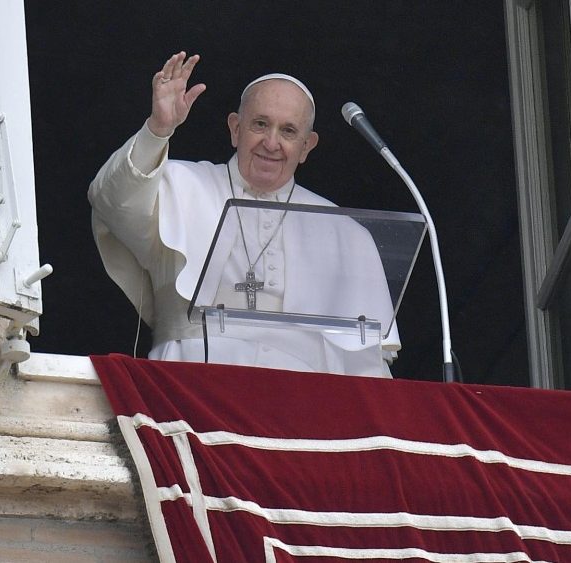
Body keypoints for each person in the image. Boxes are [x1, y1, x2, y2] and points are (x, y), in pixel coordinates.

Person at [89, 52, 399, 376]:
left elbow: (369, 363)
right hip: (185, 383)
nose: (271, 142)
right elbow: (113, 201)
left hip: (298, 404)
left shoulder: (344, 233)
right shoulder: (177, 185)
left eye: (289, 131)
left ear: (307, 146)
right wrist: (157, 130)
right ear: (236, 129)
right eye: (260, 124)